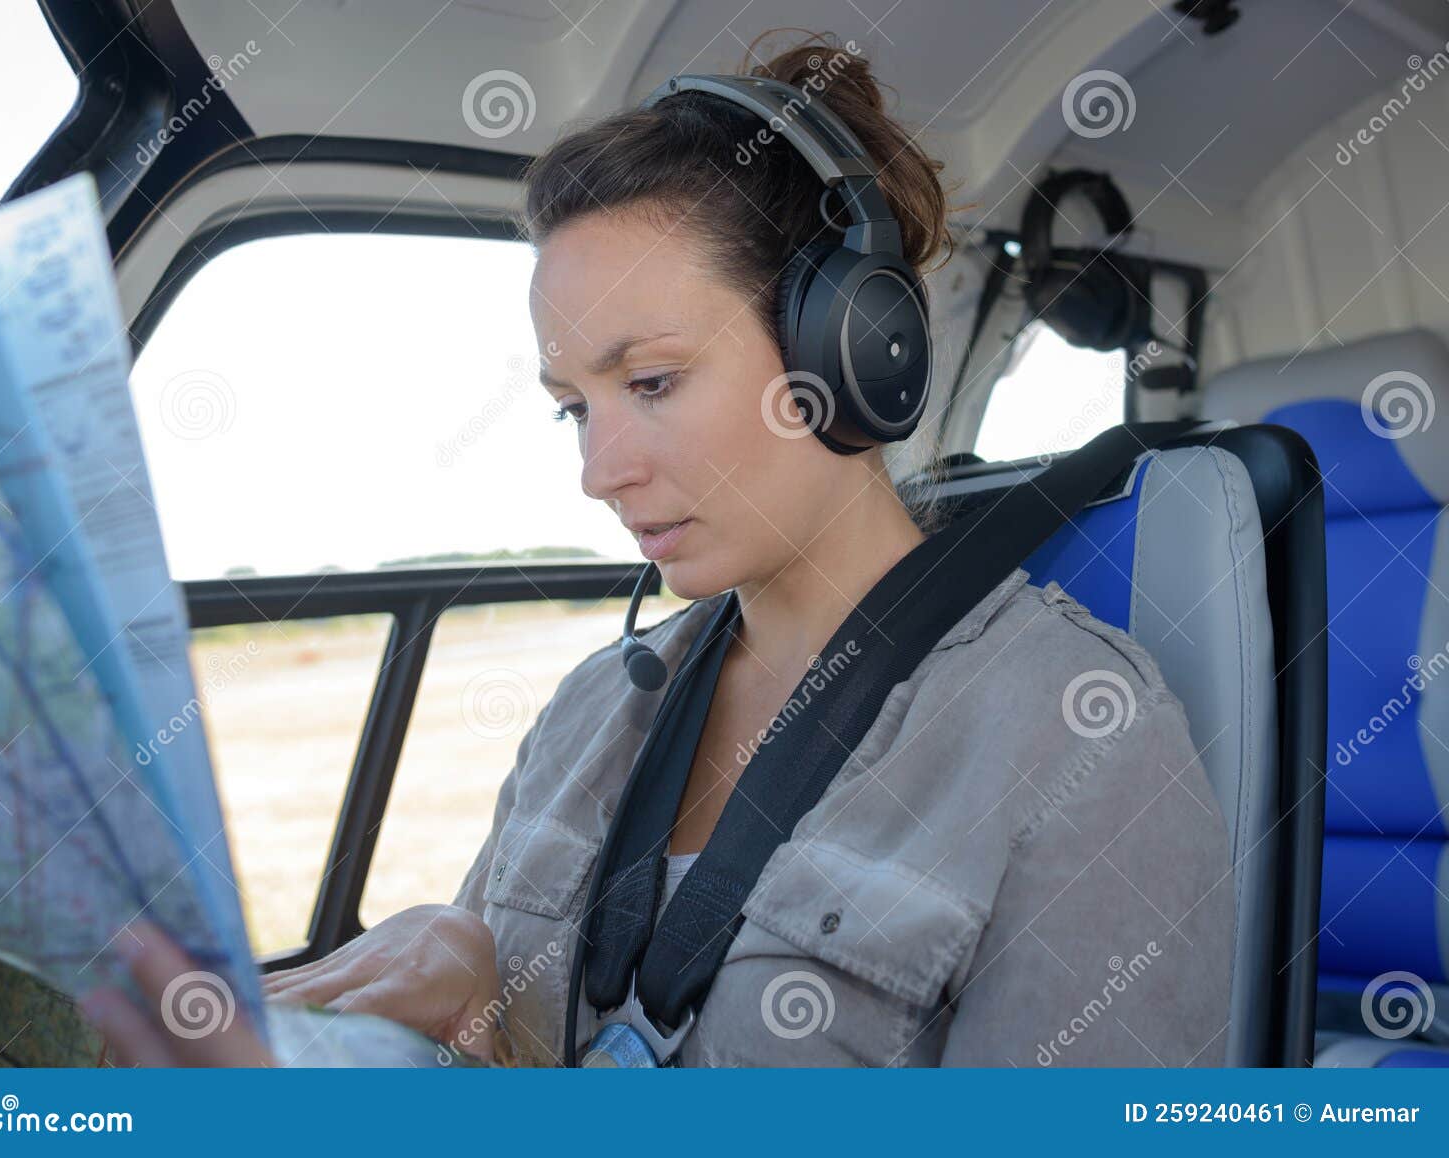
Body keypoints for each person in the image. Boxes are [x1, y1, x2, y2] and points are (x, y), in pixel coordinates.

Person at [84, 30, 1235, 1068]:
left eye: (651, 383)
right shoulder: (589, 716)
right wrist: (473, 1017)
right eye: (572, 407)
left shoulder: (1082, 742)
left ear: (848, 351)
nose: (598, 470)